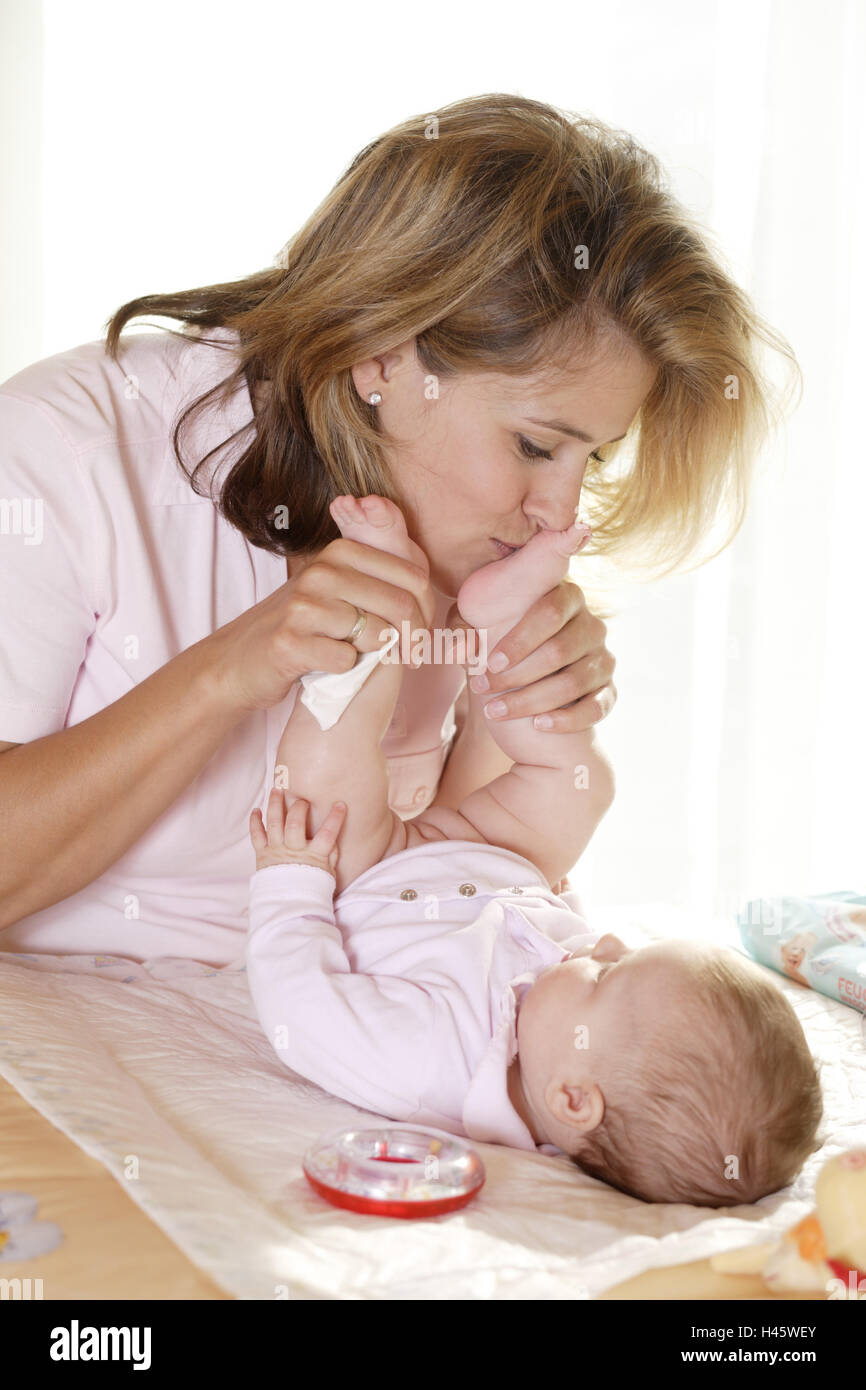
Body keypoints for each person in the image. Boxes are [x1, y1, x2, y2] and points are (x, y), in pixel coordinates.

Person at [0, 93, 797, 960]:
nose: (560, 515)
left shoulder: (462, 542)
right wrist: (233, 669)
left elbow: (430, 905)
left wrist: (516, 714)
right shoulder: (67, 449)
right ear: (381, 354)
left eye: (594, 459)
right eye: (536, 444)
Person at [246, 494, 823, 1207]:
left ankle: (380, 612)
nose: (607, 943)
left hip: (371, 875)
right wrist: (548, 889)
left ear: (573, 1099)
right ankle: (506, 622)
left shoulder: (432, 1065)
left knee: (320, 787)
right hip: (496, 855)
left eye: (607, 976)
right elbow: (550, 914)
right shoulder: (572, 1022)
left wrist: (292, 883)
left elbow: (303, 1010)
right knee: (582, 788)